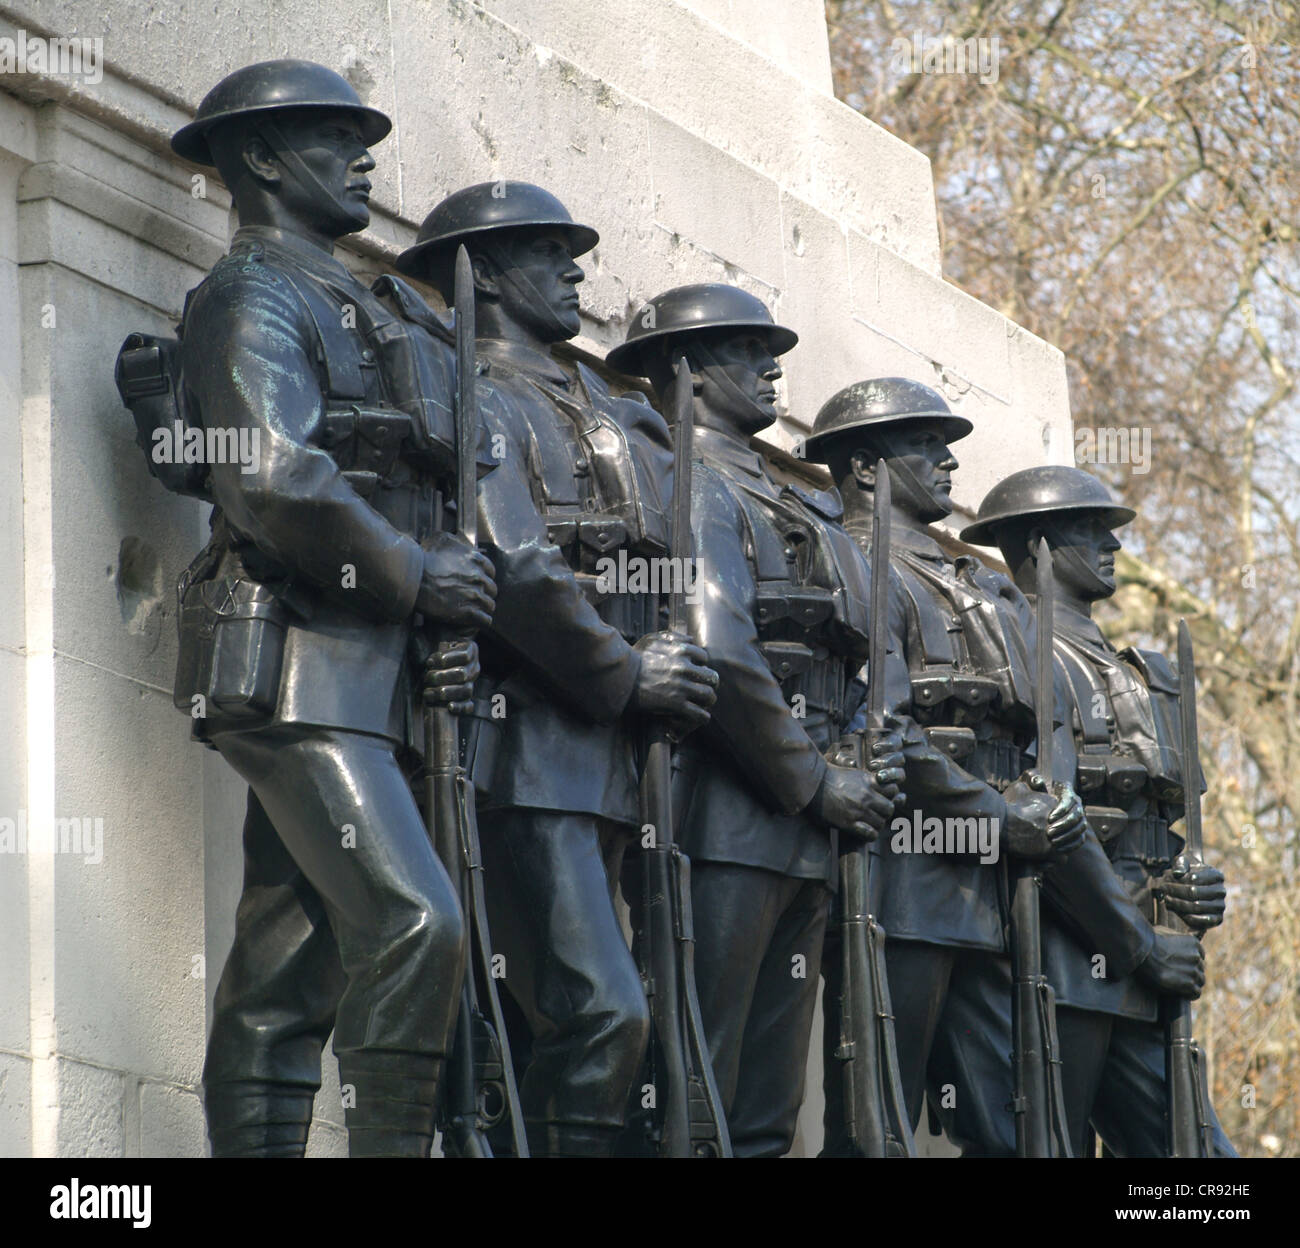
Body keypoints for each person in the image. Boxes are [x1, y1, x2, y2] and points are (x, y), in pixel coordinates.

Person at [169, 60, 495, 1157]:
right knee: (415, 921)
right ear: (259, 158)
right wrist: (411, 576)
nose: (365, 157)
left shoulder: (360, 297)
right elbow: (268, 475)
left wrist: (432, 608)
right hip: (295, 662)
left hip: (364, 669)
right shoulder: (253, 290)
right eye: (335, 138)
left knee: (288, 960)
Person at [392, 183, 719, 1157]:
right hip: (526, 750)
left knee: (618, 1035)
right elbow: (521, 566)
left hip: (615, 764)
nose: (576, 267)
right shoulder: (475, 388)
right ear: (486, 274)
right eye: (547, 252)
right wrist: (628, 676)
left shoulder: (605, 413)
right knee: (600, 1015)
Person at [609, 285, 904, 1157]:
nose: (772, 368)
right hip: (726, 819)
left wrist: (865, 755)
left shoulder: (790, 501)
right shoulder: (689, 481)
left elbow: (866, 656)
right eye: (745, 352)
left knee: (766, 1115)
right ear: (689, 372)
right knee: (689, 1088)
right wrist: (818, 782)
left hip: (807, 828)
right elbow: (720, 649)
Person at [965, 464, 1234, 1156]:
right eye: (1090, 529)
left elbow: (1159, 827)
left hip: (1141, 973)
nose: (1112, 543)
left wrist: (1189, 887)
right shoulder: (1017, 646)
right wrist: (1142, 950)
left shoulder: (1140, 672)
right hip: (1058, 963)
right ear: (1036, 542)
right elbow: (1049, 823)